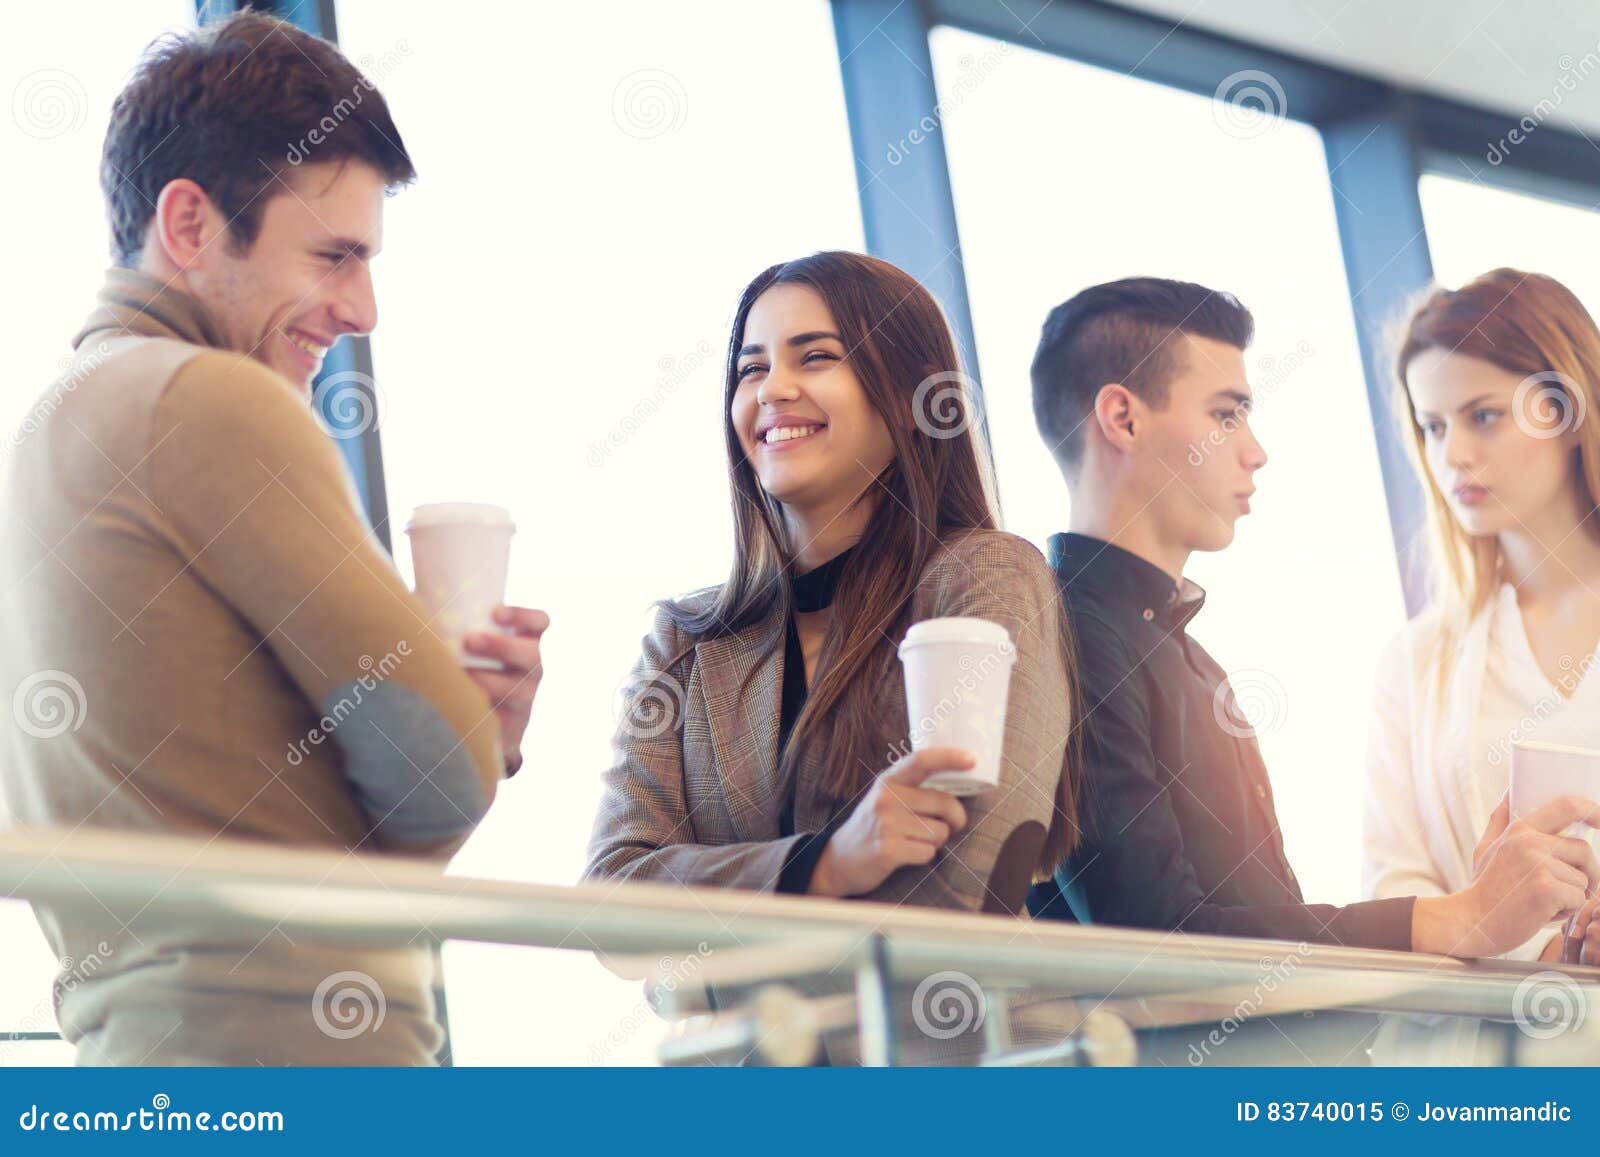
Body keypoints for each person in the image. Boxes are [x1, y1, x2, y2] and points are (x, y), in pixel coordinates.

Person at [0, 12, 546, 1065]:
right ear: (192, 225)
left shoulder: (48, 430)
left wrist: (467, 729)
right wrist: (471, 734)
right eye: (334, 256)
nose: (364, 307)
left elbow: (251, 821)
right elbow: (439, 778)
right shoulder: (205, 398)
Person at [583, 251, 1080, 1058]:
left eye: (815, 356)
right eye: (751, 369)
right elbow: (611, 902)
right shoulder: (686, 640)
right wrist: (826, 863)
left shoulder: (985, 577)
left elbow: (962, 892)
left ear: (909, 393)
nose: (773, 388)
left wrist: (698, 974)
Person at [1024, 275, 1598, 960]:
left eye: (1482, 415)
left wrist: (1470, 919)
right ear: (1122, 419)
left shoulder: (1188, 656)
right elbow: (1161, 931)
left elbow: (1244, 917)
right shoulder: (1061, 637)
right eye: (1226, 414)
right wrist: (1491, 927)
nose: (1451, 456)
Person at [1367, 268, 1600, 966]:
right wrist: (1509, 940)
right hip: (1491, 1050)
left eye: (1483, 416)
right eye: (1432, 426)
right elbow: (1393, 882)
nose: (1453, 455)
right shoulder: (1417, 661)